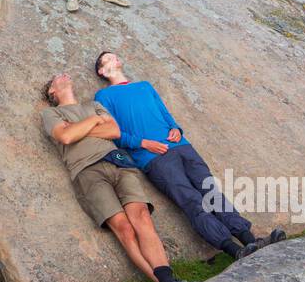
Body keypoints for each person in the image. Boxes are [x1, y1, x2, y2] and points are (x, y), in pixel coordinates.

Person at [93, 51, 285, 260]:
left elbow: (165, 113)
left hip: (181, 146)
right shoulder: (104, 96)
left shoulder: (144, 86)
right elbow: (114, 133)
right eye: (107, 59)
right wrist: (143, 143)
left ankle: (251, 241)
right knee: (191, 201)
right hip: (153, 156)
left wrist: (176, 128)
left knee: (211, 192)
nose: (115, 58)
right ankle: (234, 250)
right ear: (102, 71)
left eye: (115, 55)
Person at [41, 72, 190, 282]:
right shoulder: (51, 114)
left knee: (141, 215)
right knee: (123, 228)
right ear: (52, 92)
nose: (64, 76)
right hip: (87, 171)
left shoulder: (95, 104)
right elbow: (65, 136)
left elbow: (115, 132)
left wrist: (80, 128)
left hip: (119, 162)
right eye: (58, 78)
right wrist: (94, 123)